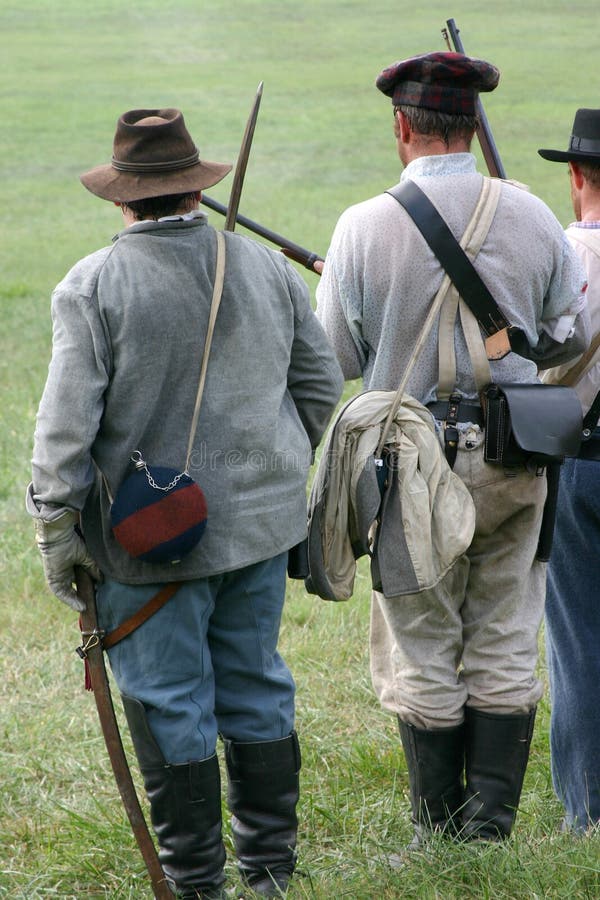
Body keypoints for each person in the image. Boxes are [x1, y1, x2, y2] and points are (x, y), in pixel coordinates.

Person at [26, 107, 343, 898]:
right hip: (262, 532)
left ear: (121, 199)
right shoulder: (266, 268)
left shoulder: (92, 284)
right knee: (258, 684)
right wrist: (263, 472)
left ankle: (197, 884)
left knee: (170, 701)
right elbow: (320, 387)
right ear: (194, 188)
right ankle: (270, 876)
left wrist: (55, 531)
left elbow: (63, 435)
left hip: (146, 541)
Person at [315, 52, 590, 849]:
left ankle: (438, 834)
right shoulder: (534, 214)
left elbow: (333, 357)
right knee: (506, 630)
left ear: (401, 126)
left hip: (411, 464)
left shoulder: (363, 225)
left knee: (424, 636)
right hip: (517, 454)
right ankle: (490, 832)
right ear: (474, 125)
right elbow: (564, 331)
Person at [538, 108, 600, 832]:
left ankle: (589, 813)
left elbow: (533, 372)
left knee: (582, 645)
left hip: (582, 465)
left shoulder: (559, 256)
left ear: (577, 175)